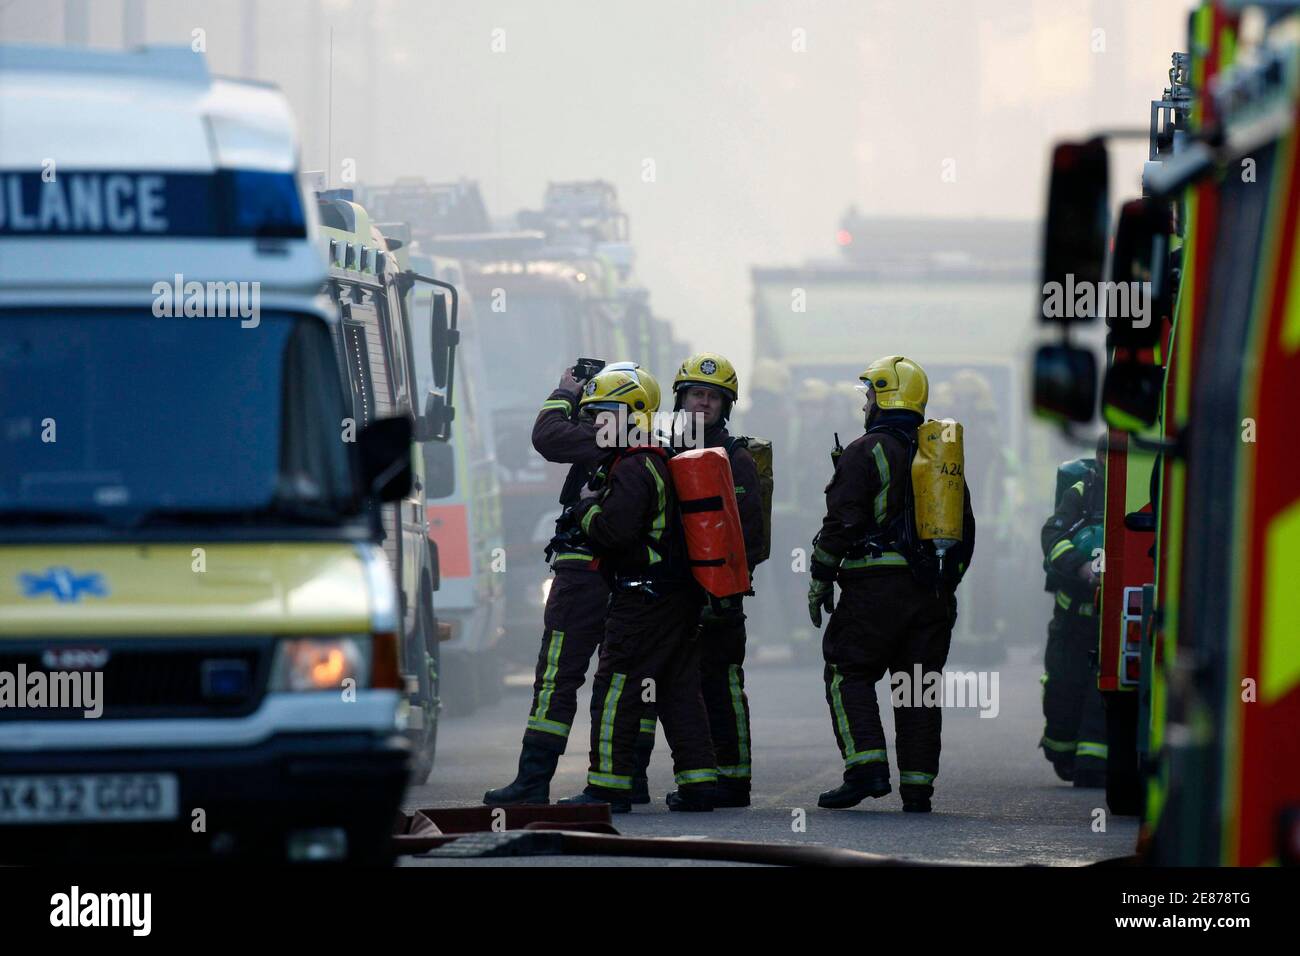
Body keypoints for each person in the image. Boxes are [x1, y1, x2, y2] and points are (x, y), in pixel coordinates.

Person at [807, 355, 975, 813]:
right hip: (931, 595)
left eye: (869, 394)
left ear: (884, 395)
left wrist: (820, 576)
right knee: (918, 685)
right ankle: (918, 788)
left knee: (848, 671)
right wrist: (945, 586)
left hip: (873, 591)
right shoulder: (940, 457)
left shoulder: (866, 450)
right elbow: (965, 531)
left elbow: (841, 522)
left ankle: (866, 769)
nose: (865, 404)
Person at [483, 361, 656, 806]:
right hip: (628, 582)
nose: (591, 420)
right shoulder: (647, 448)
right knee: (621, 680)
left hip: (583, 576)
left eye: (600, 411)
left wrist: (565, 391)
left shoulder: (611, 441)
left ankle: (532, 780)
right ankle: (628, 776)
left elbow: (547, 437)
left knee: (557, 676)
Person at [558, 367, 717, 812]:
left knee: (614, 687)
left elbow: (613, 533)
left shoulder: (634, 466)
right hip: (676, 597)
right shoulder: (656, 458)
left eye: (603, 415)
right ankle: (699, 782)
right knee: (677, 688)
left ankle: (608, 787)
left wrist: (583, 511)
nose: (595, 425)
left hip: (642, 599)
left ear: (634, 414)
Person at [636, 352, 766, 807]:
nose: (703, 404)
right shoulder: (658, 450)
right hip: (667, 592)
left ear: (725, 407)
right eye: (696, 394)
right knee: (652, 682)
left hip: (717, 598)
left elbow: (748, 533)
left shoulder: (737, 458)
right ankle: (633, 777)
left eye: (713, 397)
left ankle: (732, 779)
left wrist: (721, 586)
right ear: (680, 398)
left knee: (720, 682)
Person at [1038, 435, 1109, 788]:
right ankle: (1062, 750)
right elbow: (1053, 535)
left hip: (1110, 618)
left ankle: (1093, 762)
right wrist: (1081, 567)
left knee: (1102, 688)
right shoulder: (1082, 491)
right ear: (1099, 457)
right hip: (1071, 615)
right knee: (1064, 685)